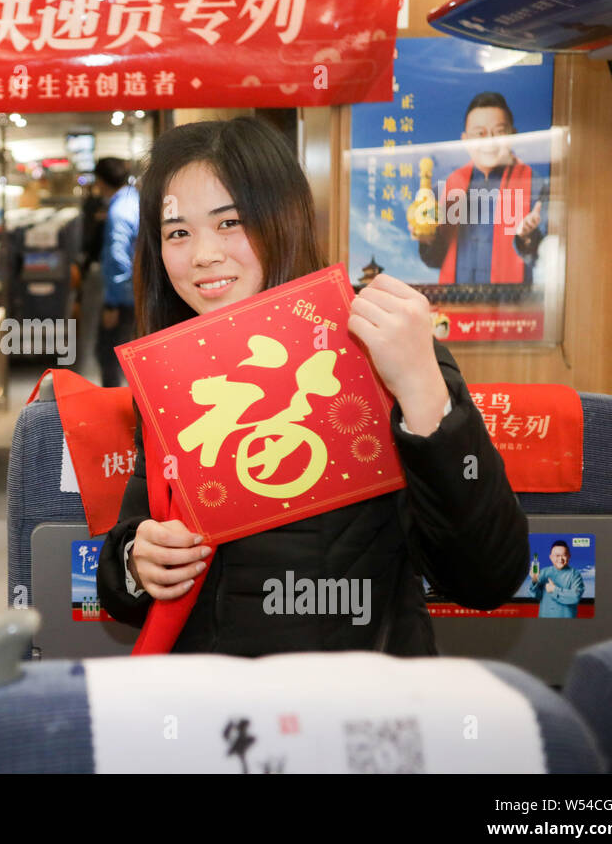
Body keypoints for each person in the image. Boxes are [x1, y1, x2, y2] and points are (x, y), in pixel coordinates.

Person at [96, 117, 529, 656]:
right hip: (204, 703)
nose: (203, 254)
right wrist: (137, 563)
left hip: (350, 706)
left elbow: (487, 576)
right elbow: (122, 584)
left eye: (229, 222)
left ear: (285, 218)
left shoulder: (378, 347)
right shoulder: (169, 369)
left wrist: (421, 386)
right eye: (178, 232)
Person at [415, 91, 547, 285]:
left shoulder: (535, 185)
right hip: (458, 305)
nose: (489, 142)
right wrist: (427, 239)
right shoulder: (443, 189)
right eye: (480, 133)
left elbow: (546, 259)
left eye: (499, 132)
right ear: (465, 140)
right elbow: (434, 260)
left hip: (511, 307)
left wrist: (527, 237)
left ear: (514, 136)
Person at [92, 157, 140, 387]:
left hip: (124, 297)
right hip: (136, 291)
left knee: (108, 356)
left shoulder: (119, 210)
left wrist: (113, 304)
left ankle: (115, 413)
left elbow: (118, 257)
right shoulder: (134, 199)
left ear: (101, 181)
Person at [530, 541, 586, 618]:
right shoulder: (544, 572)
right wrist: (534, 580)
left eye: (564, 555)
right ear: (551, 557)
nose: (560, 559)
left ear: (569, 556)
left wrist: (554, 590)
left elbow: (575, 597)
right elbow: (536, 596)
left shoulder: (575, 575)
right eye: (557, 555)